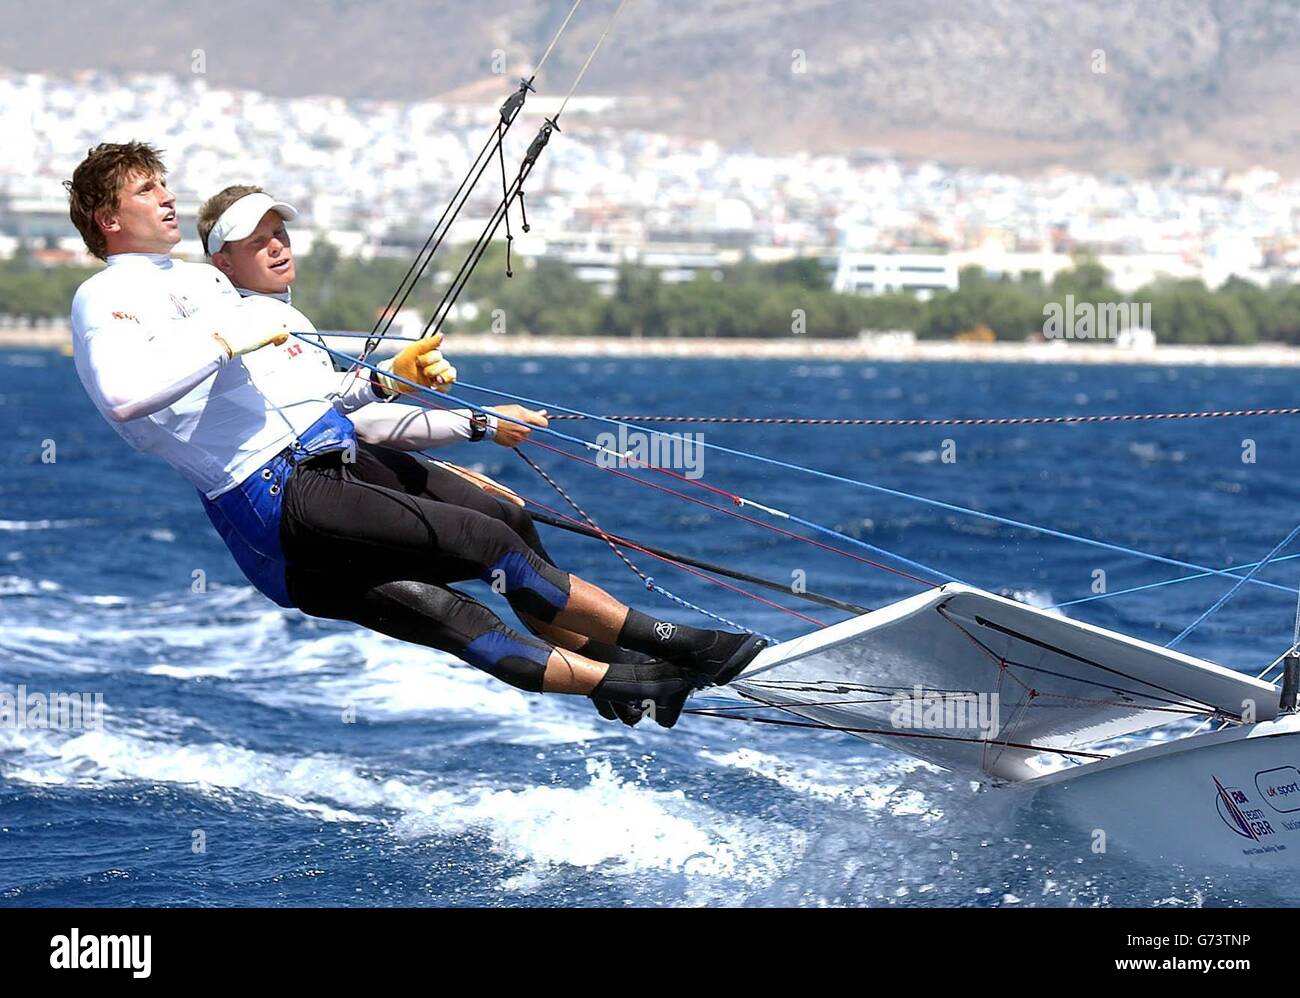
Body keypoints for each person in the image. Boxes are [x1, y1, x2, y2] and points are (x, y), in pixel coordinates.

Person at [65, 142, 766, 729]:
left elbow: (306, 396)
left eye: (165, 184)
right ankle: (686, 646)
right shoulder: (107, 295)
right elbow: (124, 398)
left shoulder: (194, 284)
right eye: (146, 190)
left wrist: (385, 380)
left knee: (486, 553)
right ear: (108, 218)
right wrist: (224, 337)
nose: (167, 198)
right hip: (270, 493)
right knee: (480, 563)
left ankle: (631, 681)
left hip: (326, 465)